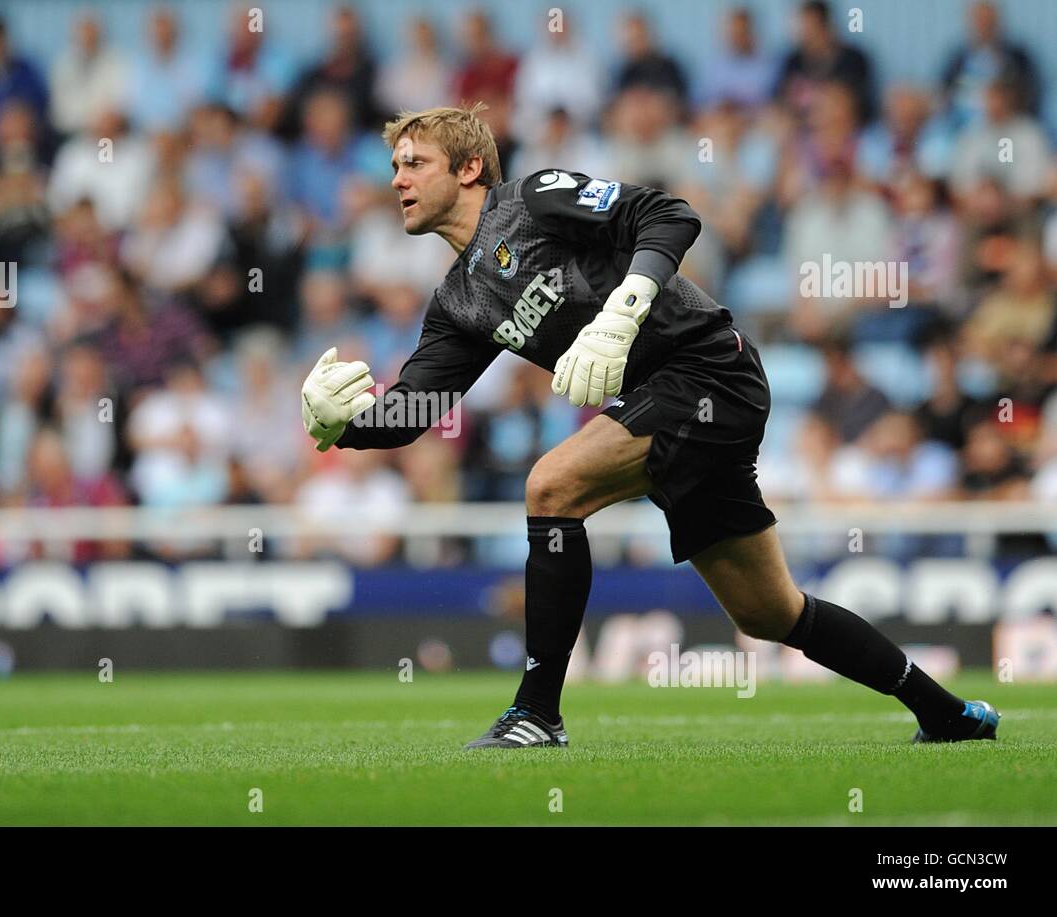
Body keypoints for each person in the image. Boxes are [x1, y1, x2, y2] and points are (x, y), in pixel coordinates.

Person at [299, 104, 1000, 748]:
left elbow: (668, 214)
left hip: (709, 371)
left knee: (552, 486)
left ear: (470, 168)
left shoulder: (534, 199)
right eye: (394, 166)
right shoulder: (459, 302)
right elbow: (416, 408)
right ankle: (945, 712)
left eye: (413, 162)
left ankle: (537, 712)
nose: (397, 180)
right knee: (771, 613)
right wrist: (345, 424)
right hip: (664, 409)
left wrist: (623, 309)